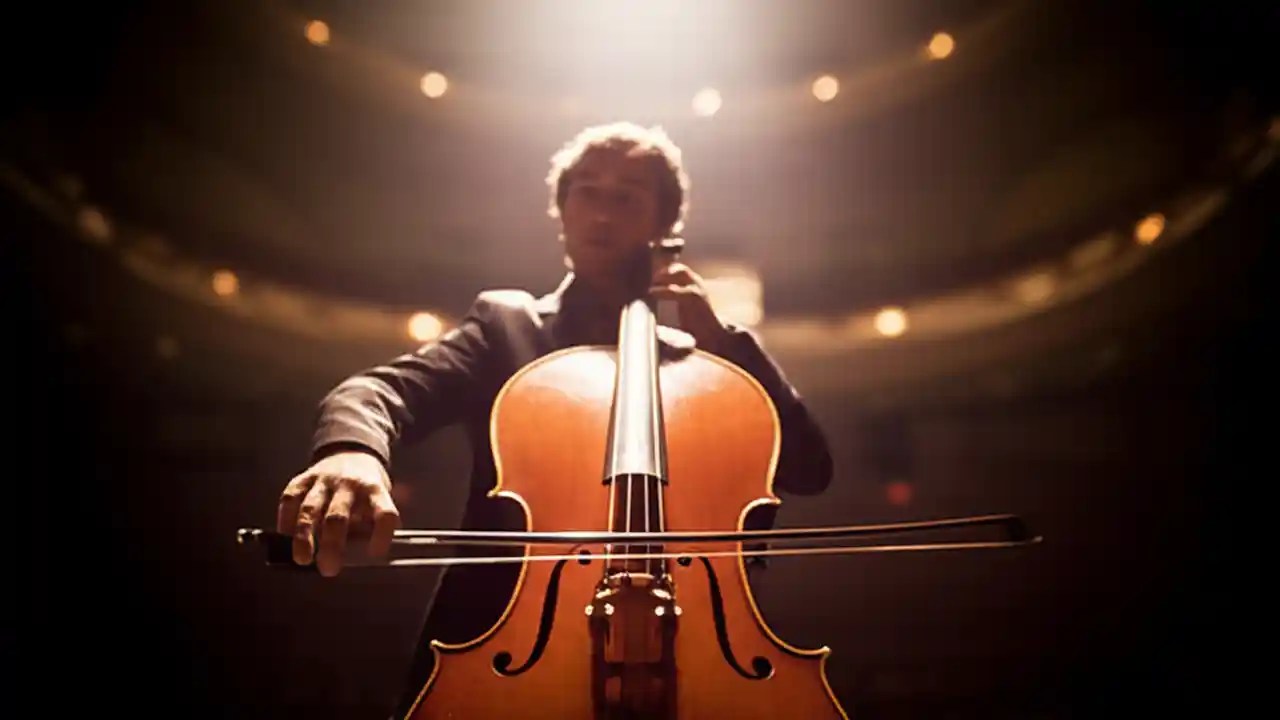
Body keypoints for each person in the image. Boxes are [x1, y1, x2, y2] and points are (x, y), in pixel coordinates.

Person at [275, 121, 835, 719]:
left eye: (627, 196)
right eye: (587, 191)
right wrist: (350, 451)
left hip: (697, 653)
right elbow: (380, 390)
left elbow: (807, 466)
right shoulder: (506, 326)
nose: (602, 212)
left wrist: (724, 342)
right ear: (561, 210)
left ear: (665, 224)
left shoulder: (704, 364)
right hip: (510, 645)